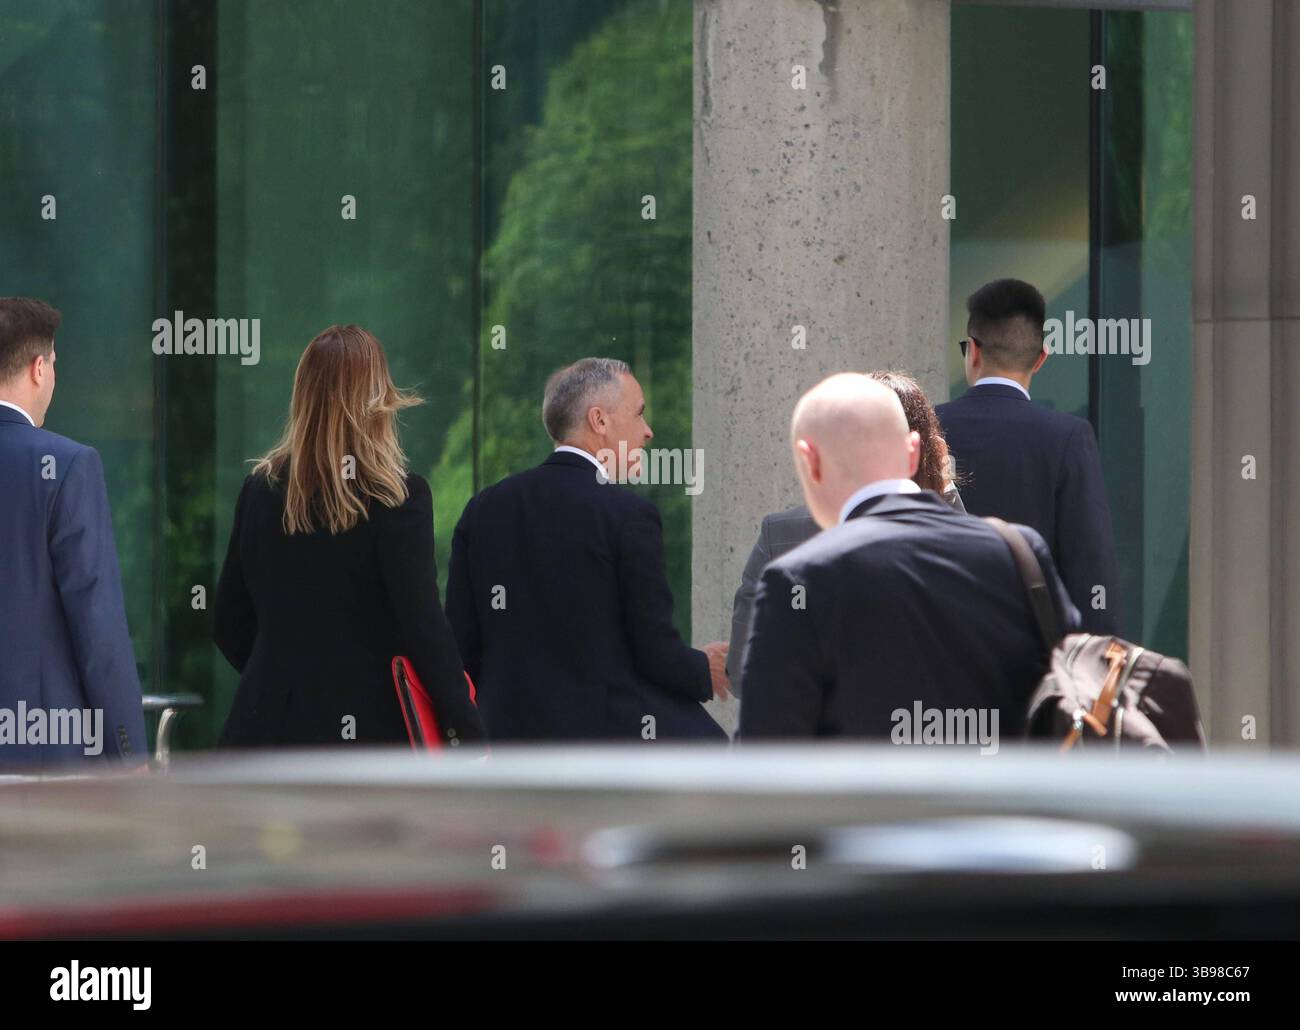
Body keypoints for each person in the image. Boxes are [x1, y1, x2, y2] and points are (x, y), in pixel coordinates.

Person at [739, 373, 1080, 740]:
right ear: (915, 450)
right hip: (1004, 798)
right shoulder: (1020, 553)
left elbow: (765, 762)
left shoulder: (797, 580)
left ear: (810, 461)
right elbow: (1071, 691)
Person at [215, 325, 483, 749]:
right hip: (367, 743)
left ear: (303, 396)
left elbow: (229, 621)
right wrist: (467, 727)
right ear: (377, 400)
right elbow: (423, 626)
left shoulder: (261, 490)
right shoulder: (398, 497)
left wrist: (284, 680)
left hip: (265, 733)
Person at [446, 357, 729, 742]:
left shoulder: (482, 509)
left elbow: (462, 650)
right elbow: (655, 653)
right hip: (603, 748)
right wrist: (705, 669)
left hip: (507, 745)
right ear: (599, 421)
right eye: (639, 414)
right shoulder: (629, 515)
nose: (647, 432)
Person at [727, 370, 963, 690]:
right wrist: (945, 487)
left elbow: (744, 671)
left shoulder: (781, 534)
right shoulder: (971, 547)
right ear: (921, 450)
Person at [0, 298, 145, 766]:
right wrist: (130, 752)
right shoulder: (67, 466)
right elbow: (97, 624)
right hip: (41, 759)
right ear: (39, 368)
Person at [936, 278, 1120, 634]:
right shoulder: (1068, 437)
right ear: (1040, 359)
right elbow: (1090, 567)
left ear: (972, 350)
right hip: (1033, 666)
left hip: (941, 654)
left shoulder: (928, 426)